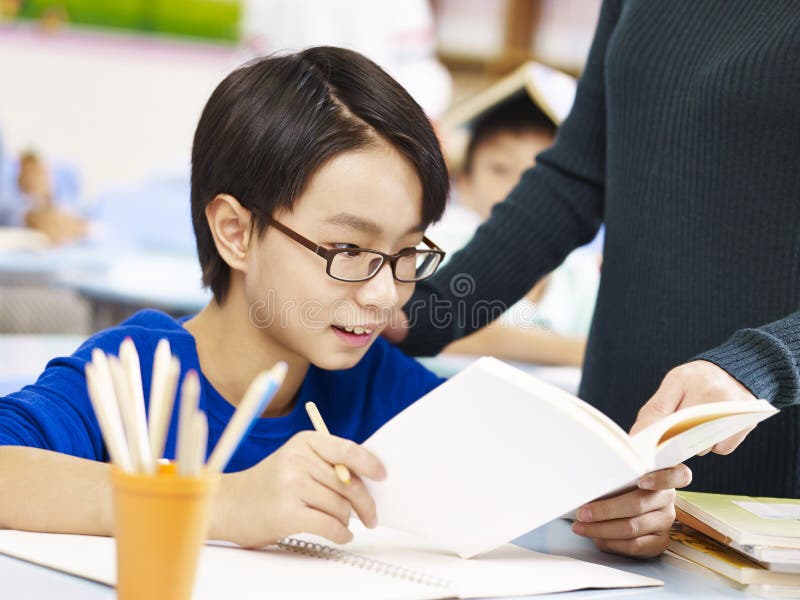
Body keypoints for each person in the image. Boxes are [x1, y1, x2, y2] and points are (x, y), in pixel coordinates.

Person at [0, 47, 686, 557]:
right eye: (349, 253)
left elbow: (516, 470)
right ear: (235, 231)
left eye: (406, 254)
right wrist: (223, 504)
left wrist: (610, 507)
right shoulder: (142, 374)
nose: (386, 295)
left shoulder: (370, 383)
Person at [391, 0, 800, 516]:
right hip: (617, 461)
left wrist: (764, 365)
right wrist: (424, 313)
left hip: (776, 478)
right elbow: (577, 177)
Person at [429, 93, 600, 366]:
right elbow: (423, 325)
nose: (520, 187)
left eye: (539, 175)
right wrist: (577, 352)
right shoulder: (435, 250)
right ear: (465, 183)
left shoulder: (580, 278)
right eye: (500, 169)